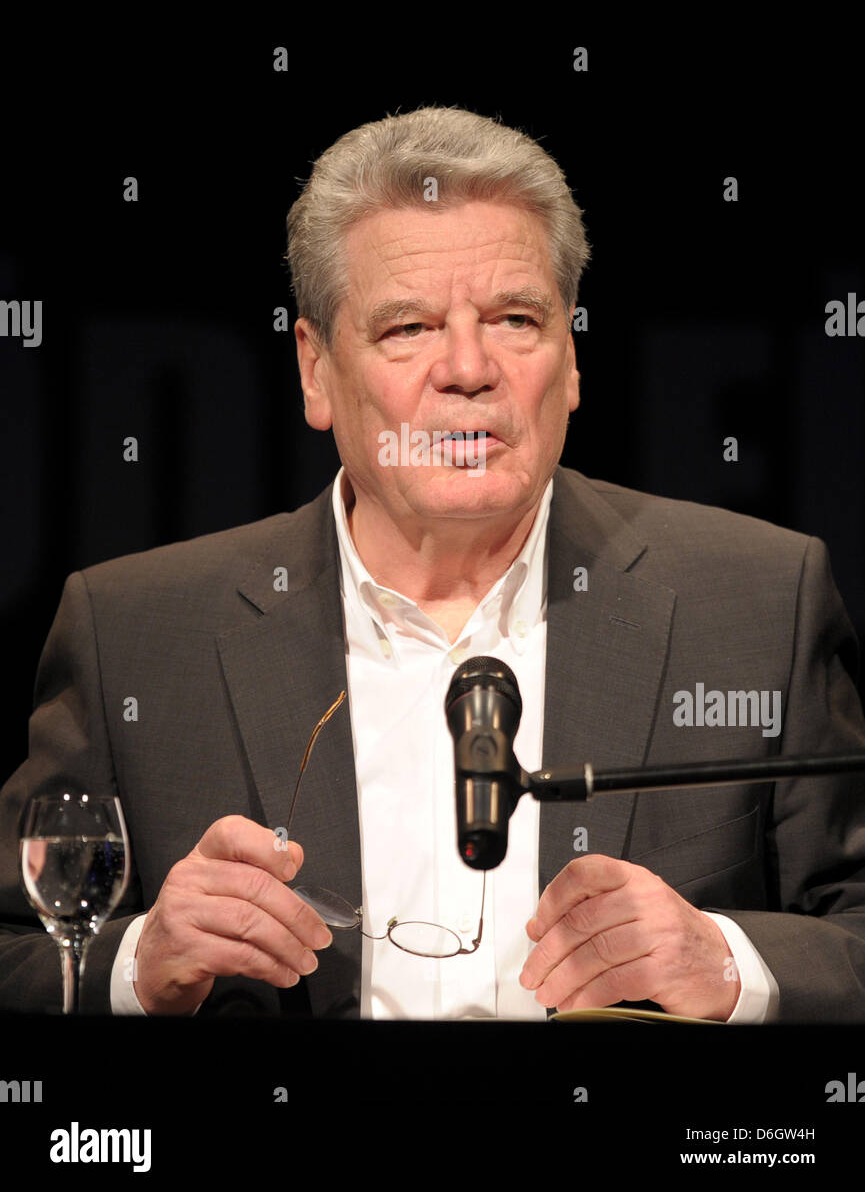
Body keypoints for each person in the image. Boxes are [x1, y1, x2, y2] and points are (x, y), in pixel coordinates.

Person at [2, 106, 864, 1022]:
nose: (468, 367)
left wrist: (729, 963)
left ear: (569, 361)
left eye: (515, 318)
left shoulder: (757, 603)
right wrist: (140, 960)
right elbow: (18, 947)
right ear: (315, 370)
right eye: (407, 327)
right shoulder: (132, 630)